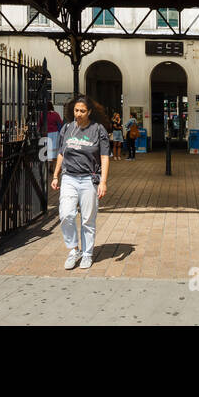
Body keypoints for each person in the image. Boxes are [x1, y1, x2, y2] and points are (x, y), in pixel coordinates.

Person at [50, 95, 110, 270]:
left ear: (89, 111)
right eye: (76, 110)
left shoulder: (98, 130)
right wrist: (55, 175)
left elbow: (105, 157)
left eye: (82, 111)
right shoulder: (67, 128)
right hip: (69, 177)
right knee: (66, 214)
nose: (79, 114)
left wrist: (103, 181)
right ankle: (73, 249)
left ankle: (87, 254)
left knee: (87, 219)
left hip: (89, 179)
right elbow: (61, 152)